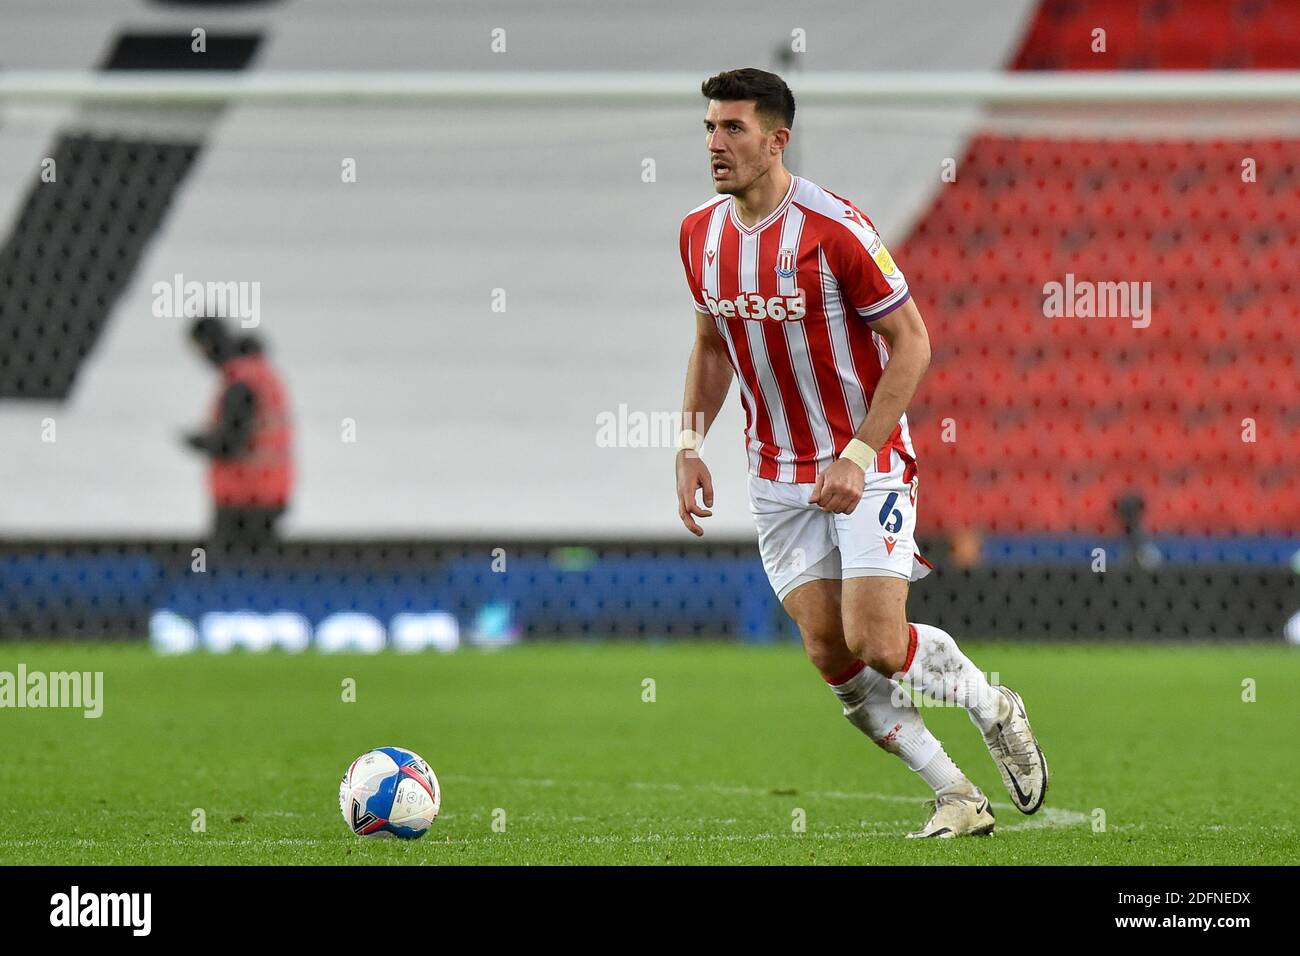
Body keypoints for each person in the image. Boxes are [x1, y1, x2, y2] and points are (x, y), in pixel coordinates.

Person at [674, 68, 1048, 838]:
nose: (715, 143)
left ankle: (994, 706)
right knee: (831, 654)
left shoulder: (834, 229)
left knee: (877, 643)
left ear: (777, 140)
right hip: (777, 476)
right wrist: (688, 443)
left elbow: (912, 343)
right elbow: (712, 344)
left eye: (733, 129)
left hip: (867, 461)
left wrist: (858, 449)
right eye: (709, 127)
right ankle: (957, 795)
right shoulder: (698, 236)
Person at [184, 317, 294, 553]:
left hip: (242, 498)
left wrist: (200, 443)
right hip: (270, 493)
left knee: (227, 572)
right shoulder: (263, 375)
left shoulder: (241, 382)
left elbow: (231, 442)